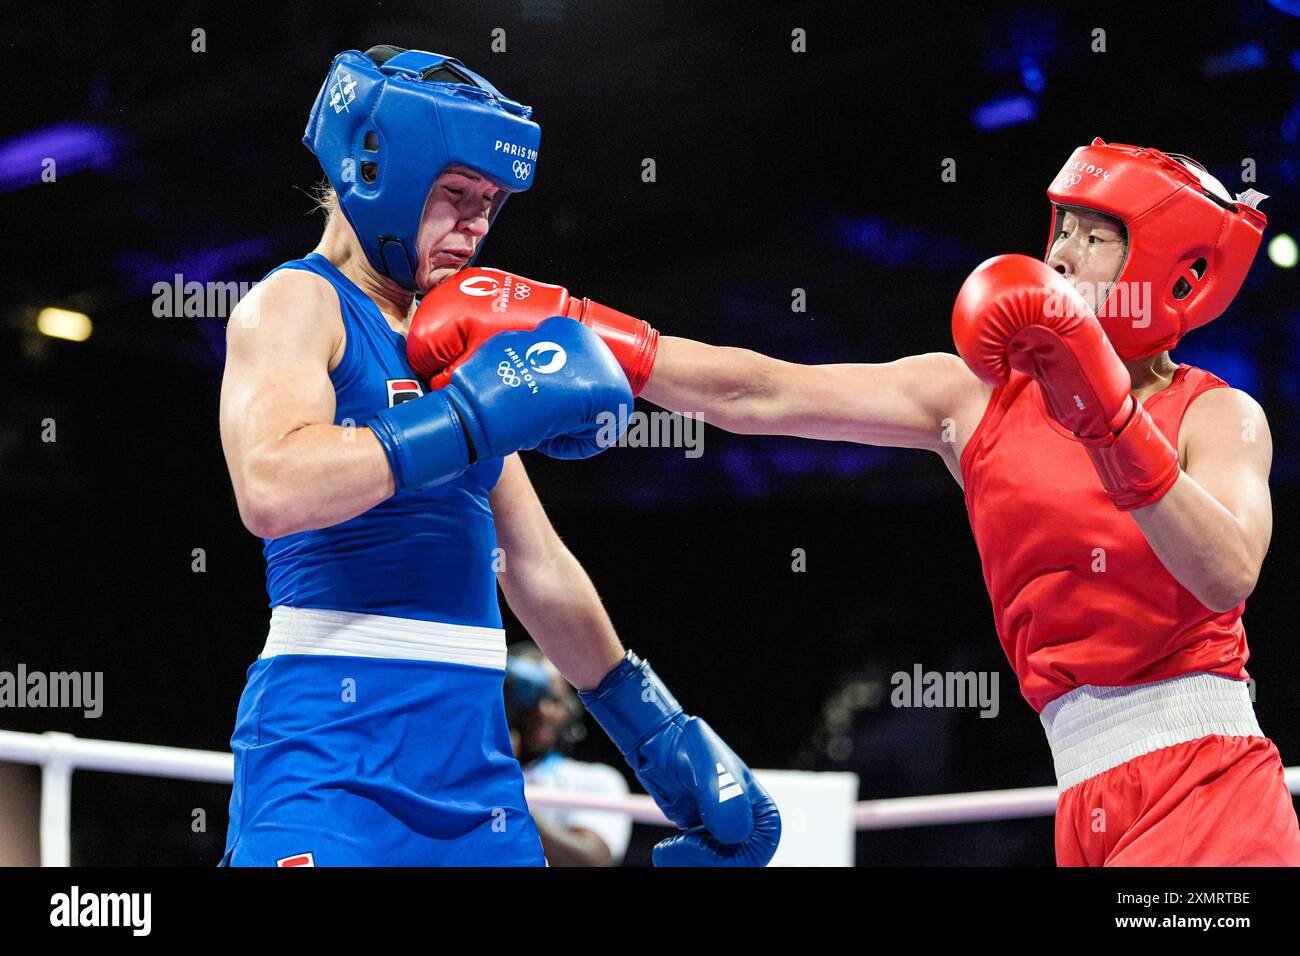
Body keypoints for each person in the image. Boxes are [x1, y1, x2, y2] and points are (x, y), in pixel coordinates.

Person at [409, 138, 1300, 866]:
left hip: (1210, 781)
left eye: (1094, 234)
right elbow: (761, 392)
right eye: (1059, 225)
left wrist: (1106, 415)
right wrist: (573, 321)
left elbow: (1224, 572)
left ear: (1173, 273)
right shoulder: (970, 397)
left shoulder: (1217, 413)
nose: (1059, 250)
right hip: (1086, 793)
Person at [216, 45, 778, 866]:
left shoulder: (453, 341)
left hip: (473, 764)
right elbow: (272, 484)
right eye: (456, 194)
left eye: (492, 201)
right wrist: (470, 415)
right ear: (379, 173)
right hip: (328, 753)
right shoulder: (296, 302)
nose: (478, 224)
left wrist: (660, 732)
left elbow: (534, 561)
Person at [505, 644, 632, 866]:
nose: (542, 711)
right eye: (530, 698)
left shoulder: (595, 781)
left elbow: (589, 862)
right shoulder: (467, 773)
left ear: (569, 710)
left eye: (553, 700)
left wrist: (505, 791)